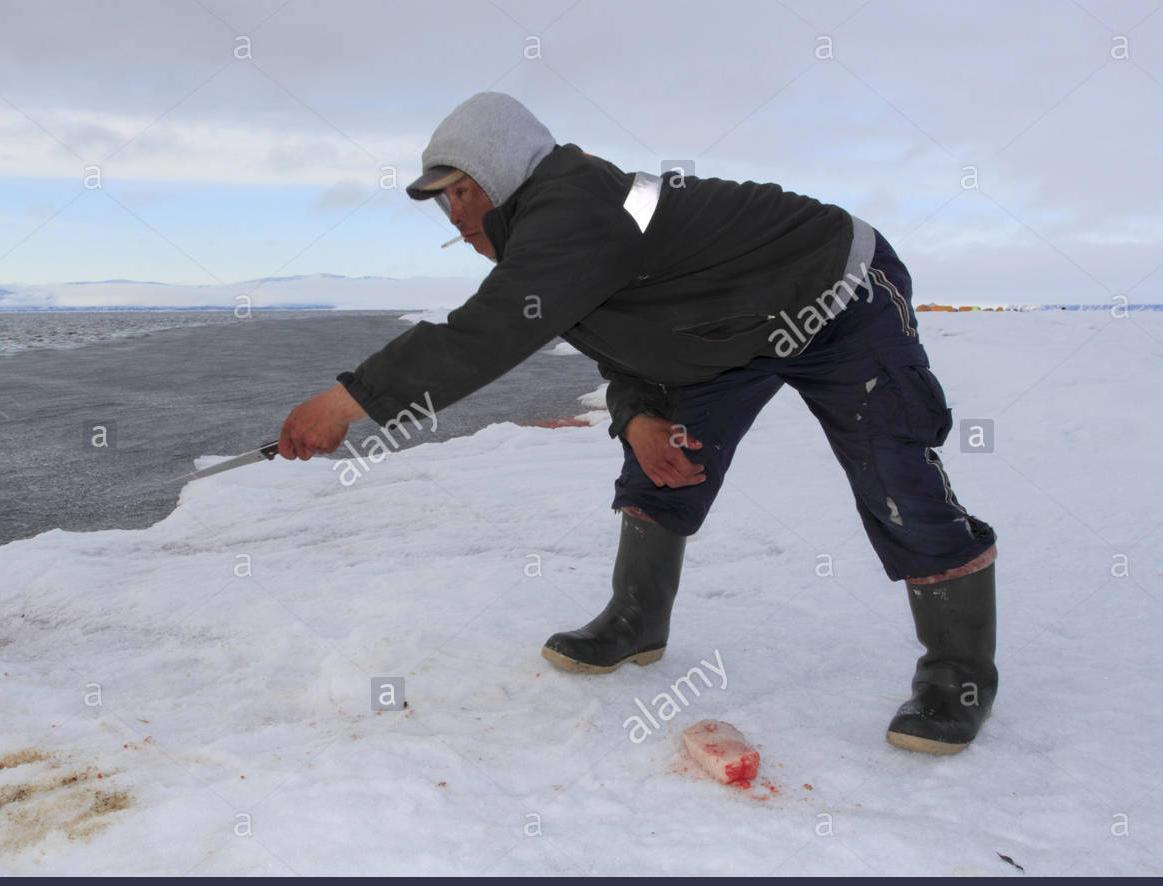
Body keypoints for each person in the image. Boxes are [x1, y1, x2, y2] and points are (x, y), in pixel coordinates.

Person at [277, 92, 998, 756]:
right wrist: (637, 414)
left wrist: (349, 400)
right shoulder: (581, 215)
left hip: (837, 295)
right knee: (661, 456)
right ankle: (635, 620)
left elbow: (484, 335)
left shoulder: (570, 208)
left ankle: (958, 676)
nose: (456, 215)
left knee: (894, 470)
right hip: (725, 337)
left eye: (461, 190)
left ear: (502, 169)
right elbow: (626, 331)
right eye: (442, 203)